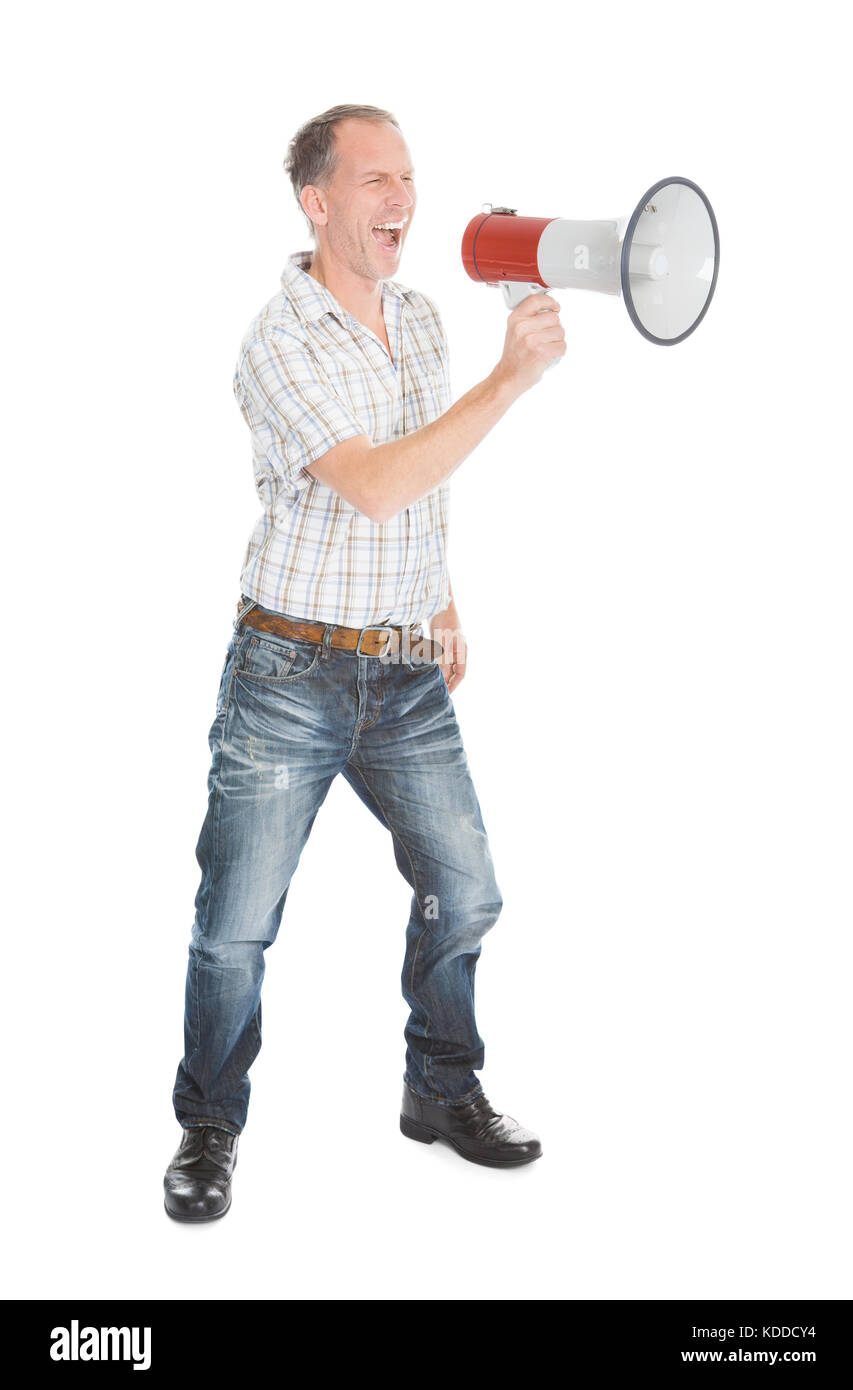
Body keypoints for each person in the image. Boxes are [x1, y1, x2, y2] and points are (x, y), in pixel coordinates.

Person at [164, 104, 567, 1222]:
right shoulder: (277, 342)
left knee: (467, 889)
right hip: (286, 676)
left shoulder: (425, 320)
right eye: (375, 178)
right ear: (318, 200)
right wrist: (509, 382)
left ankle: (439, 1086)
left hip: (400, 671)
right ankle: (207, 1125)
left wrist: (439, 602)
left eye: (409, 178)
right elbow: (374, 479)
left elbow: (423, 492)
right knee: (236, 926)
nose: (402, 199)